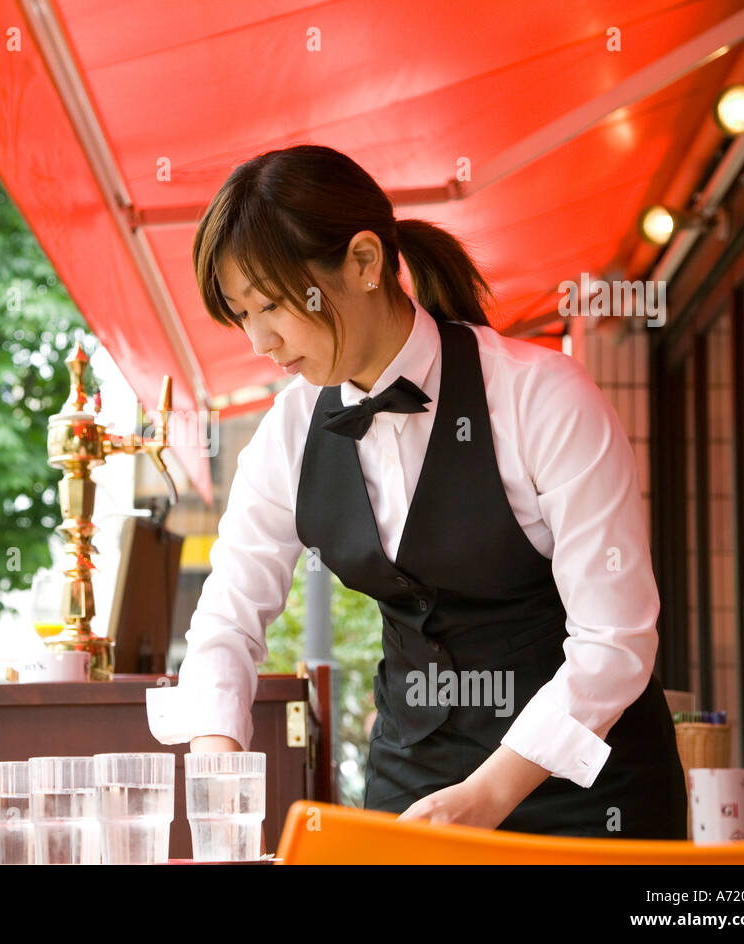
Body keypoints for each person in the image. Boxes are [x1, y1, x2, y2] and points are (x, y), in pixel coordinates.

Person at [144, 143, 687, 838]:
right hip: (411, 787)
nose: (259, 341)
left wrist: (489, 794)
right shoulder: (290, 431)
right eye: (240, 314)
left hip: (587, 792)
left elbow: (616, 639)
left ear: (364, 262)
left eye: (271, 304)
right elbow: (226, 620)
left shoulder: (541, 397)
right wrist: (218, 773)